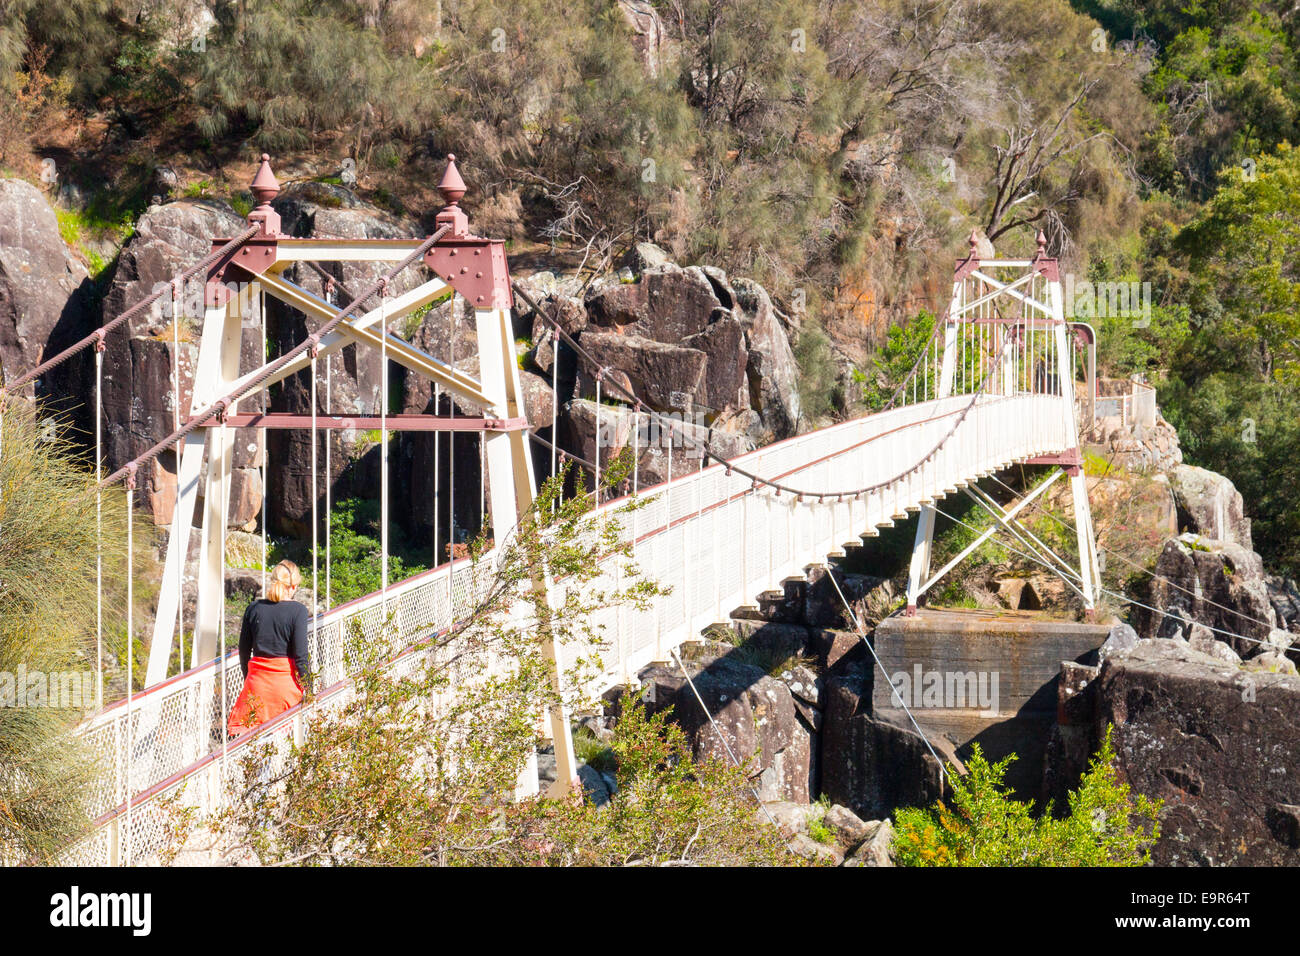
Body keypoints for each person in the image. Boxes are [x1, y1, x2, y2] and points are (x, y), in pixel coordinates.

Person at [227, 560, 312, 738]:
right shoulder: (298, 611)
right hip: (284, 689)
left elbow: (244, 651)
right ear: (294, 586)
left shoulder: (253, 608)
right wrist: (310, 690)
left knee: (253, 747)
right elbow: (301, 657)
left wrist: (248, 679)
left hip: (256, 687)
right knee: (289, 744)